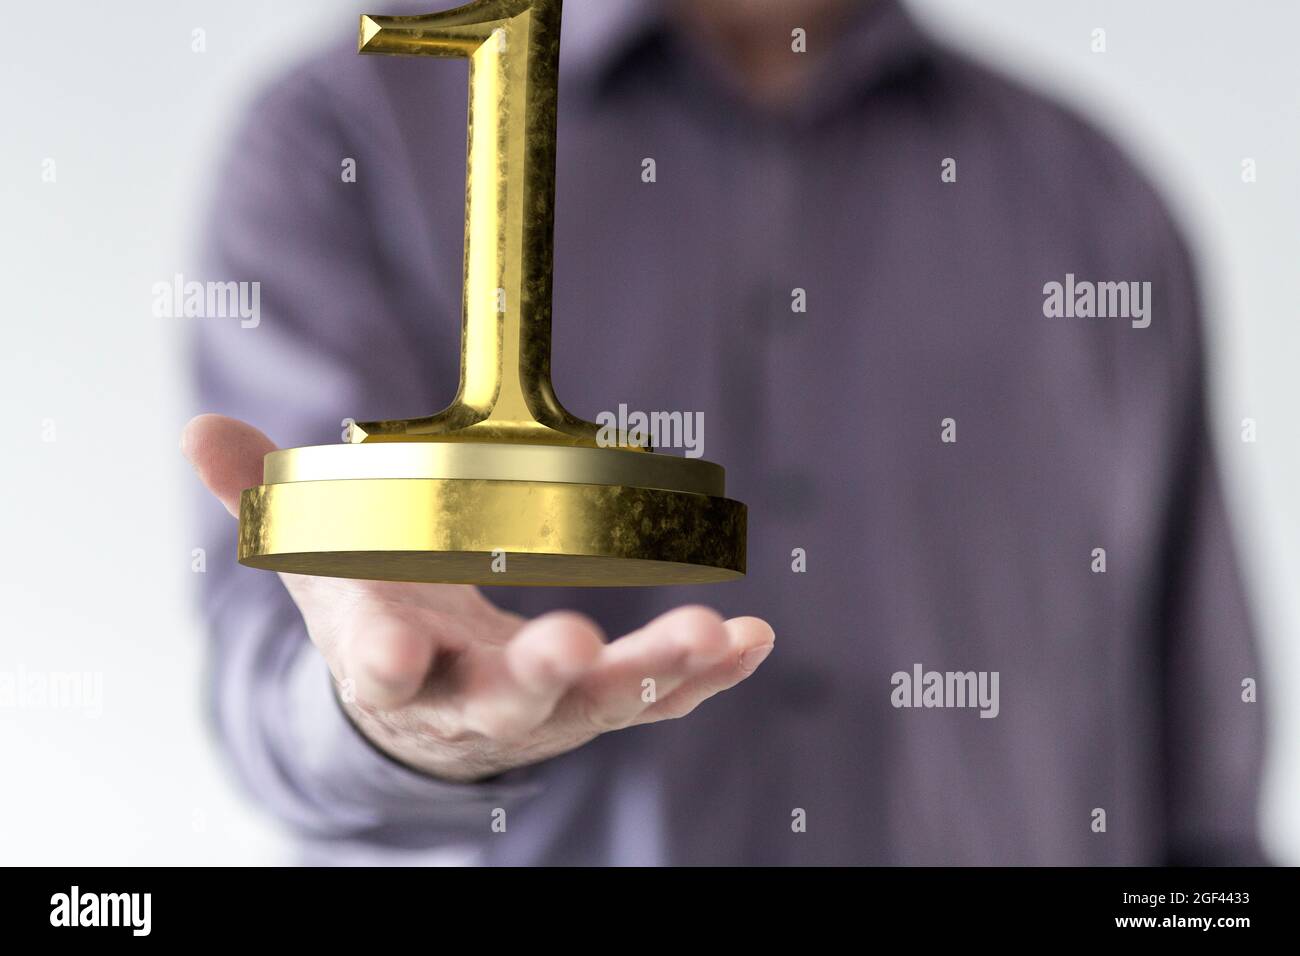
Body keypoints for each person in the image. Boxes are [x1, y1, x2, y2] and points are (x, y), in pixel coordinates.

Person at [183, 0, 1265, 865]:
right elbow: (281, 673)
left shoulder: (1095, 200)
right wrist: (399, 727)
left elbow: (1202, 761)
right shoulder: (347, 136)